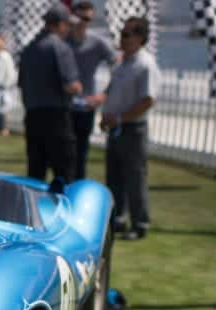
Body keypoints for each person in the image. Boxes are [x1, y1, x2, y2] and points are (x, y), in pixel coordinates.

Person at [100, 16, 160, 240]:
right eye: (121, 34)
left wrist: (120, 118)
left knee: (135, 177)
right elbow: (111, 92)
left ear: (140, 38)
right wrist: (107, 116)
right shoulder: (122, 63)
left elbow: (148, 100)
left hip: (133, 129)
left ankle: (140, 223)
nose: (122, 39)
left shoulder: (145, 64)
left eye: (126, 35)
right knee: (114, 176)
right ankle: (118, 219)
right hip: (117, 127)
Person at [17, 3, 82, 184]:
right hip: (57, 118)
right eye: (67, 25)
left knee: (36, 173)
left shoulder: (29, 49)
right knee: (64, 173)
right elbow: (70, 85)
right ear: (59, 24)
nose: (68, 29)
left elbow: (21, 84)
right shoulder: (60, 47)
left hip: (32, 116)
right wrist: (79, 88)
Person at [67, 1, 118, 180]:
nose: (83, 22)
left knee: (81, 155)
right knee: (61, 155)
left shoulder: (97, 42)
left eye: (87, 19)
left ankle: (77, 191)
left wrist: (103, 95)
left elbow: (119, 68)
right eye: (80, 18)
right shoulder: (62, 41)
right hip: (63, 107)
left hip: (85, 107)